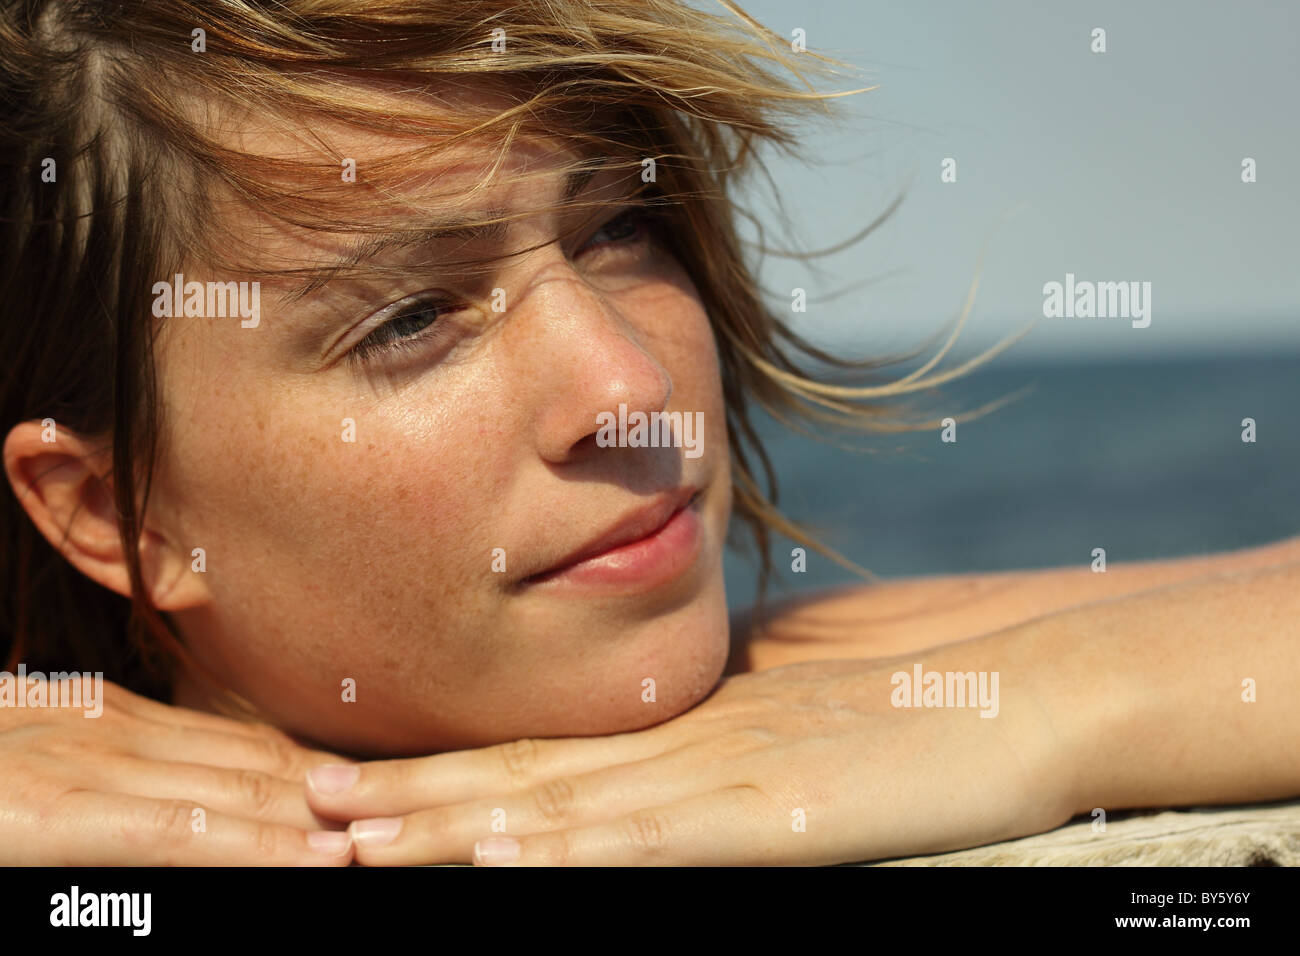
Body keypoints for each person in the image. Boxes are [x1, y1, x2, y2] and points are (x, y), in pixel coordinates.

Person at [2, 0, 1296, 866]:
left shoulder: (821, 666)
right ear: (117, 514)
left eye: (616, 227)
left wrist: (1041, 710)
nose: (627, 385)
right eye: (407, 318)